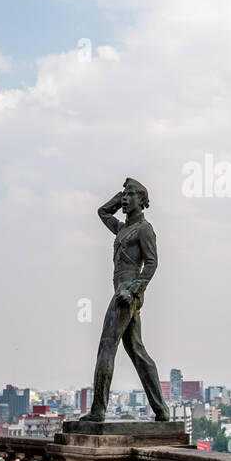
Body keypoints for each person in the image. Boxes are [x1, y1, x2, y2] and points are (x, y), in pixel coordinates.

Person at [83, 178, 170, 422]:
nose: (125, 197)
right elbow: (102, 212)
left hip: (126, 293)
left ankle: (98, 410)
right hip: (121, 290)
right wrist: (119, 197)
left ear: (142, 200)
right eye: (125, 194)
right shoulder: (122, 229)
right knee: (138, 352)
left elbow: (152, 263)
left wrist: (133, 290)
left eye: (131, 194)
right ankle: (161, 409)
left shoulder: (144, 229)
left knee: (107, 346)